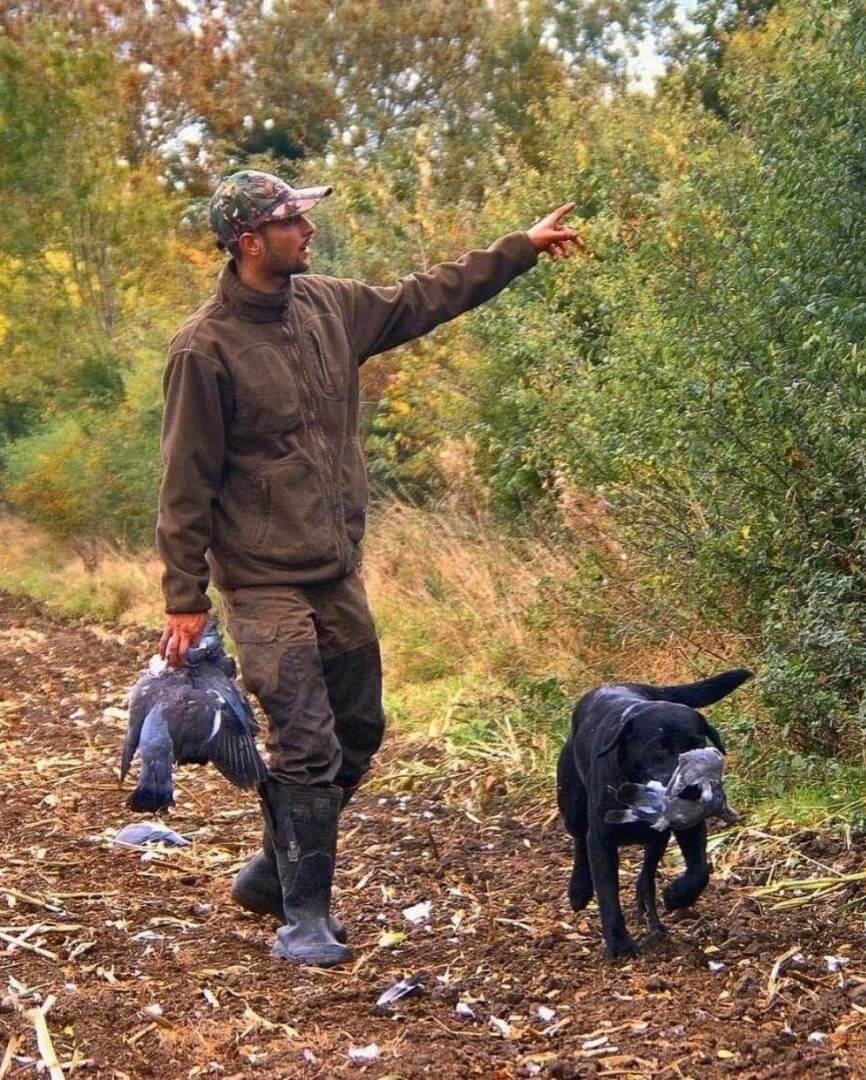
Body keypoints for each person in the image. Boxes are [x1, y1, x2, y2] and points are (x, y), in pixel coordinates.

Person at [156, 169, 582, 966]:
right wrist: (186, 596)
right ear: (249, 242)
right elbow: (185, 481)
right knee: (307, 742)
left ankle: (273, 870)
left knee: (359, 728)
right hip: (261, 580)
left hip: (335, 571)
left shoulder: (331, 307)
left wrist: (520, 248)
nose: (308, 230)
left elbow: (427, 296)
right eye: (292, 220)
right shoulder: (202, 349)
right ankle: (305, 915)